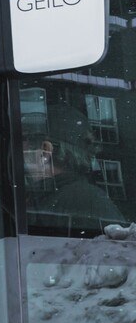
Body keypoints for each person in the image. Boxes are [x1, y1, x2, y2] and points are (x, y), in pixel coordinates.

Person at [24, 100, 124, 235]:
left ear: (45, 152)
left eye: (24, 140)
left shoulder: (84, 202)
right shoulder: (85, 199)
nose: (15, 151)